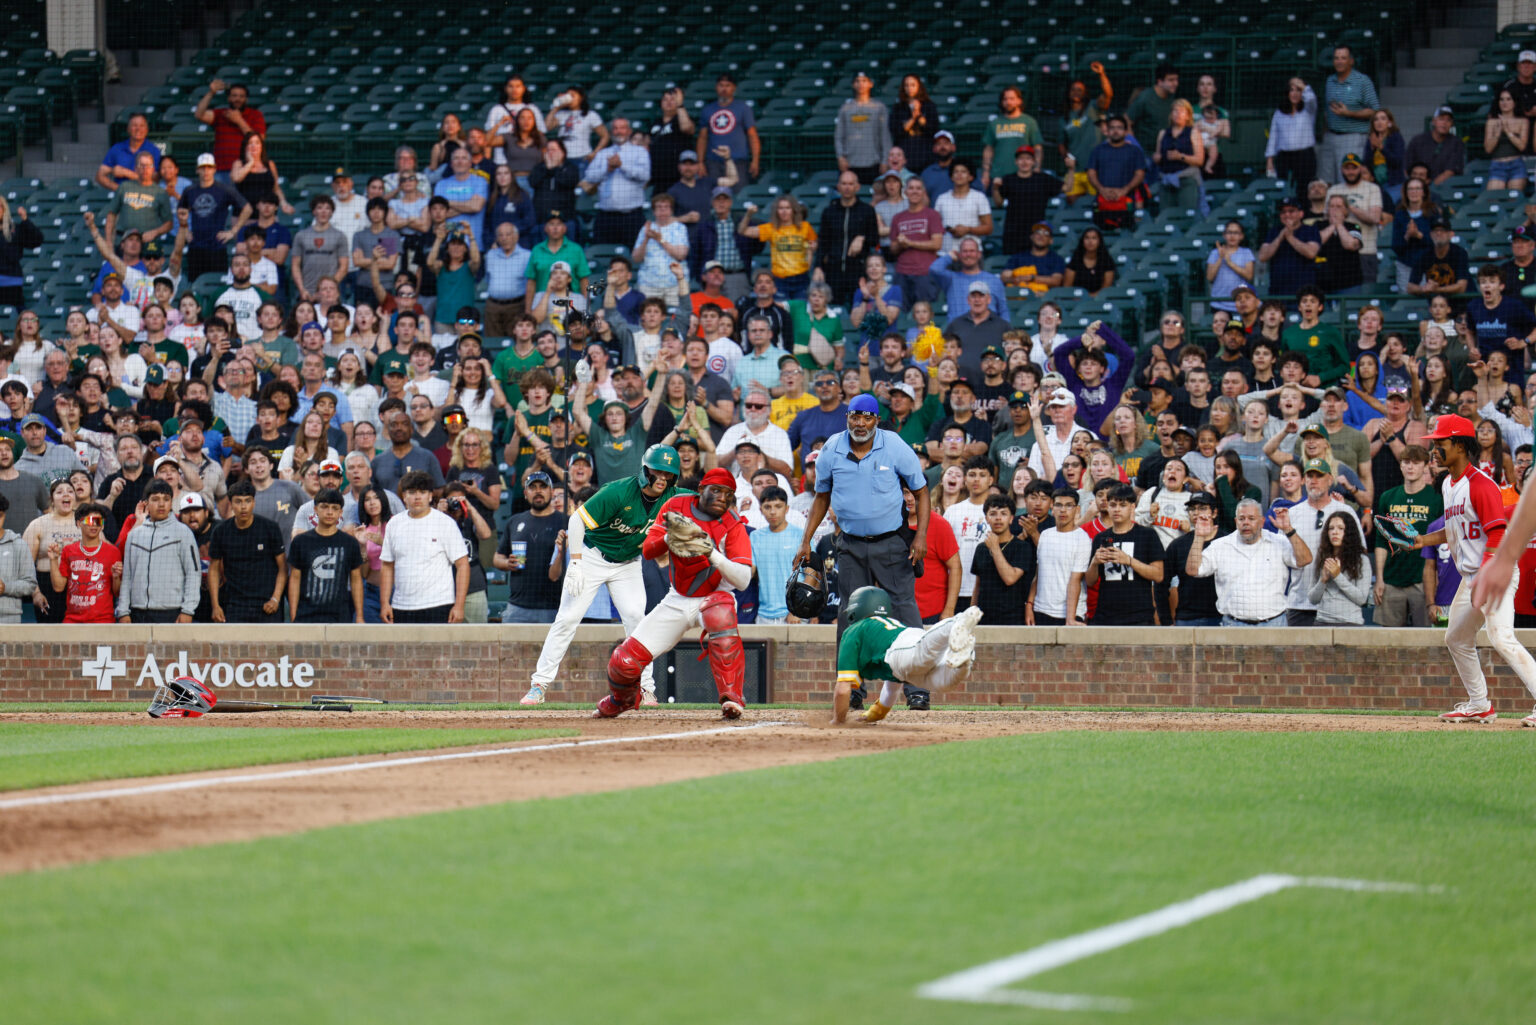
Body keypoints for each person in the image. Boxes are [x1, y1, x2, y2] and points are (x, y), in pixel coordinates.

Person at [523, 446, 688, 704]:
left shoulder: (674, 497)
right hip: (593, 555)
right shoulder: (619, 490)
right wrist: (575, 562)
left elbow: (704, 502)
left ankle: (646, 688)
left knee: (636, 619)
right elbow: (577, 520)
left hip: (628, 563)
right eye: (657, 471)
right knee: (567, 618)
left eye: (668, 474)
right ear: (645, 470)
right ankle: (539, 685)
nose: (662, 478)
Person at [1400, 415, 1536, 725]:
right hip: (1471, 577)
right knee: (1456, 638)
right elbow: (1453, 531)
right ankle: (1479, 704)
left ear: (1460, 445)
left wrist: (1488, 573)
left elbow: (1498, 532)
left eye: (1441, 443)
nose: (1435, 449)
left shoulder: (1480, 484)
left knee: (1502, 638)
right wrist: (1421, 539)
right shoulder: (1449, 483)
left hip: (1494, 574)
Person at [593, 466, 753, 718]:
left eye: (728, 494)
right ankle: (622, 699)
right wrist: (669, 539)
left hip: (714, 596)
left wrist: (712, 553)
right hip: (677, 598)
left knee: (720, 614)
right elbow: (648, 551)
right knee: (622, 662)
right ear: (701, 489)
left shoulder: (733, 525)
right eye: (716, 490)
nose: (723, 497)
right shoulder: (676, 506)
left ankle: (732, 698)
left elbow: (743, 580)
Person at [796, 392, 927, 633]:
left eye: (867, 418)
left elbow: (922, 491)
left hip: (891, 543)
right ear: (847, 417)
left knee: (902, 606)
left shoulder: (894, 444)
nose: (860, 423)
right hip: (850, 544)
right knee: (851, 610)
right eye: (855, 417)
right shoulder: (832, 447)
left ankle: (915, 668)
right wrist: (805, 541)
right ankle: (847, 671)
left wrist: (920, 536)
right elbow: (821, 496)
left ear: (876, 420)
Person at [832, 586, 983, 724]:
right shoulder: (886, 627)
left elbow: (842, 690)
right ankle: (965, 659)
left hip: (905, 647)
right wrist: (876, 713)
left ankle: (959, 621)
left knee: (923, 654)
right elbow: (891, 687)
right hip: (906, 664)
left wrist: (838, 721)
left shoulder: (854, 630)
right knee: (946, 682)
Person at [1185, 497, 1310, 626]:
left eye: (1251, 518)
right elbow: (1193, 570)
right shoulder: (1220, 546)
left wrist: (1289, 530)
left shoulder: (1279, 542)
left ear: (1262, 522)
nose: (1246, 523)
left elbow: (1305, 560)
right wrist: (1199, 537)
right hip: (1234, 625)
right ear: (1235, 521)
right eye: (1241, 518)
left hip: (1274, 624)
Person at [378, 470, 469, 624]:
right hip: (401, 606)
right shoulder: (394, 524)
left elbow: (463, 565)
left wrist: (459, 606)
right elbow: (387, 565)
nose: (417, 497)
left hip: (438, 605)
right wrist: (385, 603)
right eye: (412, 492)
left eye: (422, 492)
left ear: (430, 495)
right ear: (404, 496)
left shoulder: (445, 523)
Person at [114, 479, 200, 623]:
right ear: (146, 503)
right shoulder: (134, 535)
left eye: (166, 499)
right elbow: (127, 576)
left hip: (171, 613)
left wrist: (188, 610)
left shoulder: (183, 533)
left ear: (171, 502)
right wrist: (123, 611)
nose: (161, 504)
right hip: (137, 613)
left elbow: (193, 574)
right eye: (155, 499)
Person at [207, 478, 286, 623]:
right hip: (235, 606)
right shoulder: (221, 531)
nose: (243, 506)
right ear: (230, 504)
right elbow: (213, 569)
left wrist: (275, 598)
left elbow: (282, 568)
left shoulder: (270, 528)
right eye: (238, 501)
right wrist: (215, 606)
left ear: (254, 502)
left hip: (266, 605)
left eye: (247, 501)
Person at [1085, 483, 1165, 625]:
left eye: (1122, 505)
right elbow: (1090, 582)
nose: (1117, 509)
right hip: (1106, 615)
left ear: (1132, 507)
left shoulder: (1147, 535)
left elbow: (1158, 575)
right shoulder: (1100, 538)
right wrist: (1094, 563)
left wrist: (1129, 560)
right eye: (1113, 505)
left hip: (1140, 615)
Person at [286, 486, 365, 623]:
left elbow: (356, 580)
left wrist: (359, 616)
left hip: (339, 616)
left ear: (341, 512)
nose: (329, 512)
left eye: (335, 508)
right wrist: (293, 614)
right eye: (324, 507)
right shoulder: (301, 541)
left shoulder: (349, 543)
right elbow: (294, 578)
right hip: (306, 615)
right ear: (316, 509)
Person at [48, 502, 120, 624]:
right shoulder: (68, 550)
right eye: (90, 521)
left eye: (98, 521)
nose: (94, 525)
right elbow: (58, 587)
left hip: (103, 621)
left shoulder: (113, 552)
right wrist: (53, 560)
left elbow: (117, 592)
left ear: (102, 525)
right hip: (73, 620)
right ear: (78, 523)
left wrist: (116, 577)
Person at [1158, 491, 1223, 625]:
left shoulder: (1227, 541)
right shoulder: (1178, 545)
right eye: (1192, 509)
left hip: (1222, 617)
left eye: (1202, 508)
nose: (1196, 513)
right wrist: (1166, 620)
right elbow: (1161, 583)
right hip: (1187, 618)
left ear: (1214, 513)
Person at [969, 492, 1034, 625]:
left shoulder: (1022, 547)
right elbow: (978, 585)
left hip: (1012, 617)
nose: (998, 518)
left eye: (1003, 514)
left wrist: (995, 548)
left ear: (1011, 519)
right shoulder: (981, 548)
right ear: (986, 518)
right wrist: (970, 615)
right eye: (993, 514)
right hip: (983, 617)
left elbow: (1010, 578)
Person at [1319, 45, 1380, 185]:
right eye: (1336, 58)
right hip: (1330, 137)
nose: (1339, 61)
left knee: (1348, 180)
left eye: (1343, 58)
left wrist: (1349, 113)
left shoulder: (1363, 81)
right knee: (1325, 181)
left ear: (1351, 61)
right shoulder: (1330, 81)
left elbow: (1375, 110)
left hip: (1352, 136)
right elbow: (1326, 110)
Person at [1307, 510, 1372, 625]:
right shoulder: (1322, 558)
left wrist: (1338, 576)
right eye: (1331, 528)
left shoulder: (1362, 560)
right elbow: (1312, 599)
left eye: (1340, 528)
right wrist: (1322, 581)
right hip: (1322, 621)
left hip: (1350, 623)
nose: (1335, 532)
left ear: (1349, 532)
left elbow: (1361, 599)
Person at [696, 72, 760, 183]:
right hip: (713, 162)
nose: (724, 89)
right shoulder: (707, 110)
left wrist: (755, 160)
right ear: (716, 87)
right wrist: (700, 162)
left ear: (734, 88)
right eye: (721, 85)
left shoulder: (743, 108)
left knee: (737, 193)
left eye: (727, 86)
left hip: (737, 161)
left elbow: (752, 135)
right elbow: (702, 137)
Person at [834, 72, 891, 183]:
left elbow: (885, 136)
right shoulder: (845, 108)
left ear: (870, 84)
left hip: (873, 162)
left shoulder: (879, 107)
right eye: (857, 81)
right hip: (850, 163)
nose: (861, 84)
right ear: (853, 85)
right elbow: (839, 135)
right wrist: (840, 157)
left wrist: (885, 161)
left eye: (864, 81)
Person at [1266, 78, 1318, 188]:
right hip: (1284, 158)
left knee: (1304, 189)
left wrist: (1302, 85)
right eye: (1292, 90)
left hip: (1305, 156)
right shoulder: (1279, 113)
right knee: (1283, 188)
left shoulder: (1309, 110)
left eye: (1298, 90)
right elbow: (1273, 137)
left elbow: (1311, 99)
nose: (1295, 94)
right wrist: (1270, 160)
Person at [96, 112, 163, 193]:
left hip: (145, 195)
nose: (138, 129)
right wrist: (118, 189)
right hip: (121, 198)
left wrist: (126, 173)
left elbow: (154, 179)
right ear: (128, 129)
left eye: (142, 126)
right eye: (134, 125)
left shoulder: (153, 151)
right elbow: (100, 176)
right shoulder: (117, 149)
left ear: (147, 129)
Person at [1404, 106, 1467, 187]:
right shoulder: (1417, 141)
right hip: (1417, 187)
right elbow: (1406, 168)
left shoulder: (1456, 143)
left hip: (1443, 187)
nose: (1444, 123)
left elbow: (1450, 172)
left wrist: (1431, 188)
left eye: (1448, 120)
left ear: (1451, 124)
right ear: (1434, 121)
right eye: (1441, 119)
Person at [0, 493, 38, 623]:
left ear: (4, 515)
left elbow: (30, 584)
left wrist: (5, 587)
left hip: (9, 619)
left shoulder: (18, 544)